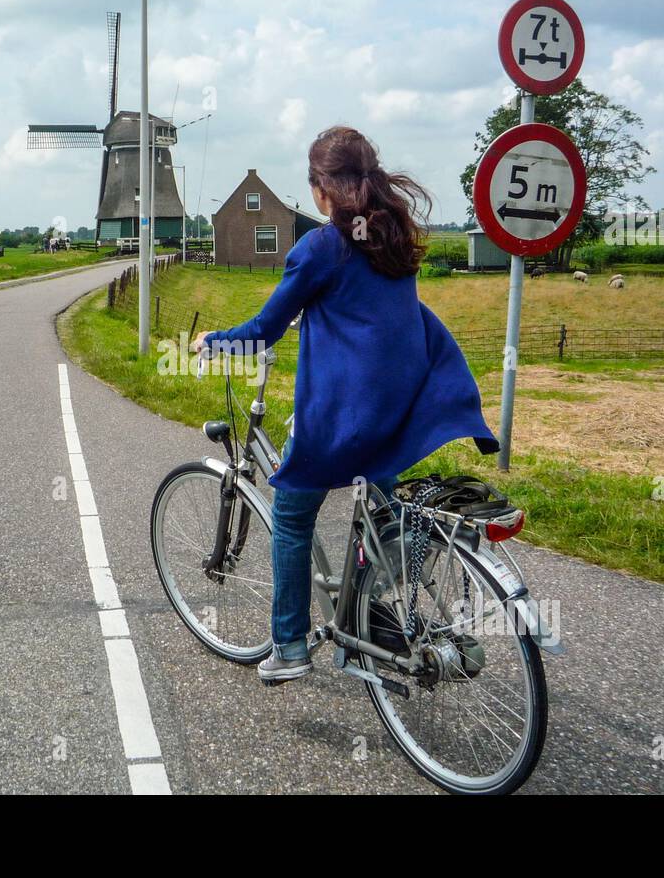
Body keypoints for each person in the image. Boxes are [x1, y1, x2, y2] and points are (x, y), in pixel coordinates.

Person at [193, 126, 498, 683]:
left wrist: (212, 342)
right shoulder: (393, 236)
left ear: (321, 189)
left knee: (290, 514)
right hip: (399, 409)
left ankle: (288, 646)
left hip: (348, 419)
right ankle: (373, 609)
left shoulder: (321, 246)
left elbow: (264, 330)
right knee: (380, 507)